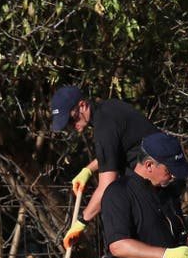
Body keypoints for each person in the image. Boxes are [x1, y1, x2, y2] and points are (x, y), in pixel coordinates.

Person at [49, 85, 158, 243]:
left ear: (82, 105)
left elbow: (107, 185)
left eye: (72, 120)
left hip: (156, 181)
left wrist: (82, 221)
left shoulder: (104, 126)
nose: (73, 127)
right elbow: (112, 152)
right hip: (154, 177)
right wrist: (88, 170)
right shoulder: (109, 109)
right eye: (67, 125)